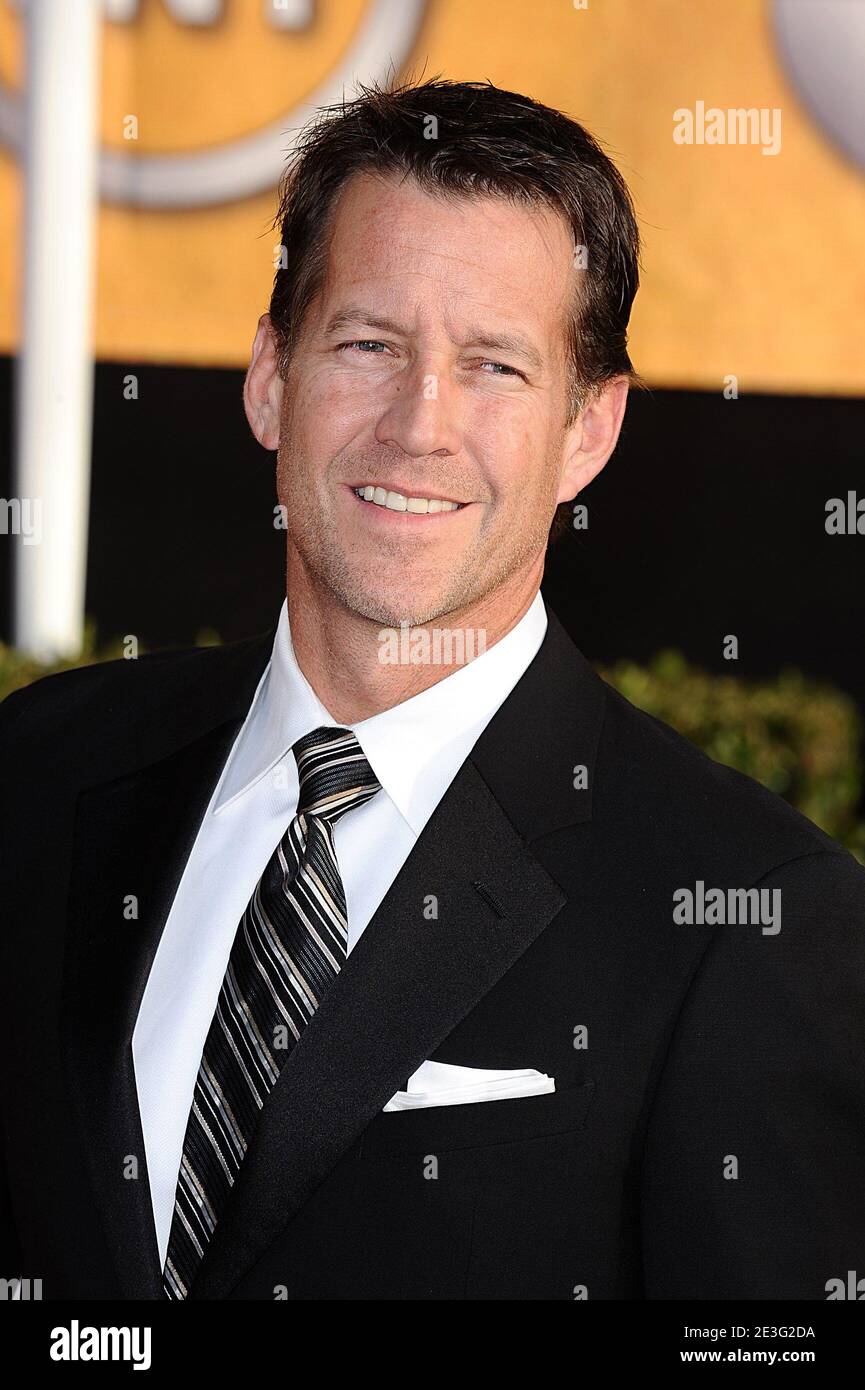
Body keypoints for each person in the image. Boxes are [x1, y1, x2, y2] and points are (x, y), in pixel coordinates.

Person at [2, 77, 863, 1302]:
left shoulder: (745, 920)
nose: (420, 425)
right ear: (268, 377)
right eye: (368, 344)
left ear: (589, 433)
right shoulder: (41, 770)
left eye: (495, 367)